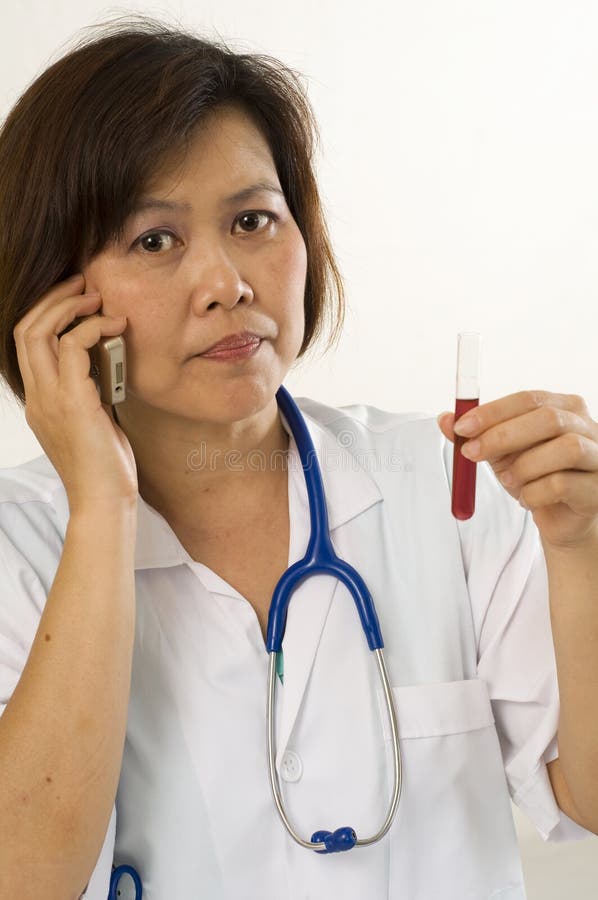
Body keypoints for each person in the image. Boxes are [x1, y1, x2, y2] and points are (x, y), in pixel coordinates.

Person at [0, 15, 597, 900]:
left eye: (252, 220)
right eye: (154, 240)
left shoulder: (446, 482)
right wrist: (102, 508)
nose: (228, 283)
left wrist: (581, 549)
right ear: (53, 292)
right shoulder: (22, 542)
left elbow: (586, 800)